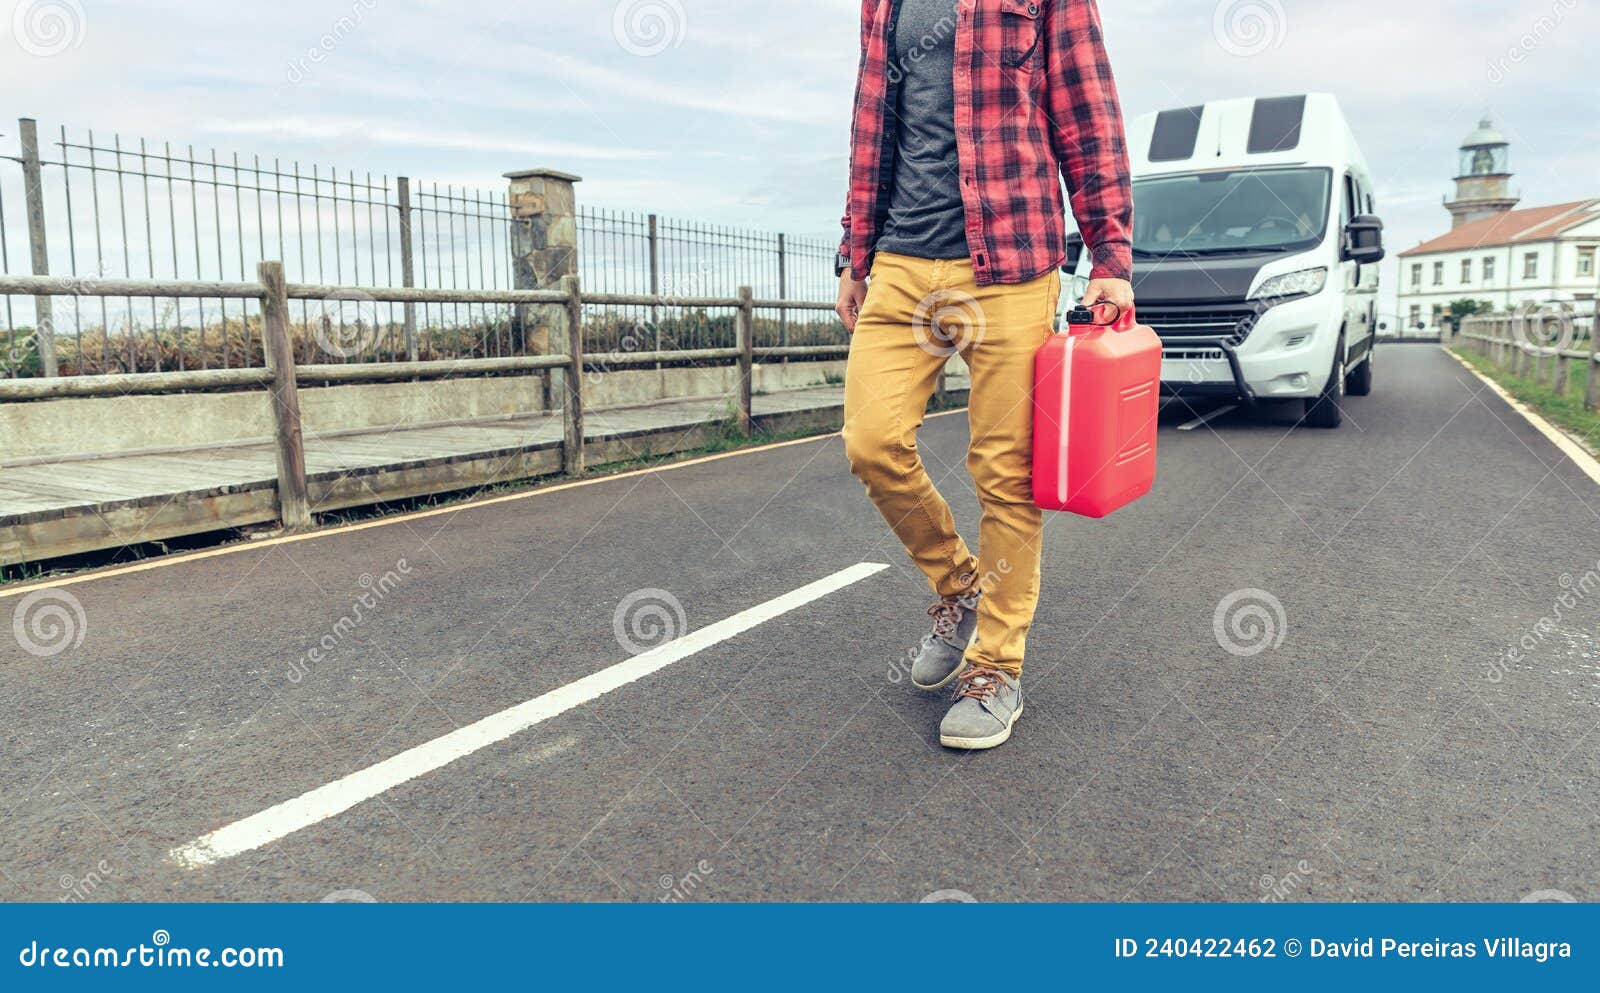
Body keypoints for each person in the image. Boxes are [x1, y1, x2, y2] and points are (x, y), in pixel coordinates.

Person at [834, 0, 1134, 750]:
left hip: (1010, 260)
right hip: (902, 258)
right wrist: (854, 249)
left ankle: (995, 665)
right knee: (871, 442)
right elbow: (872, 124)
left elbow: (1088, 114)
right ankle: (958, 585)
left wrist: (1112, 256)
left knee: (1004, 470)